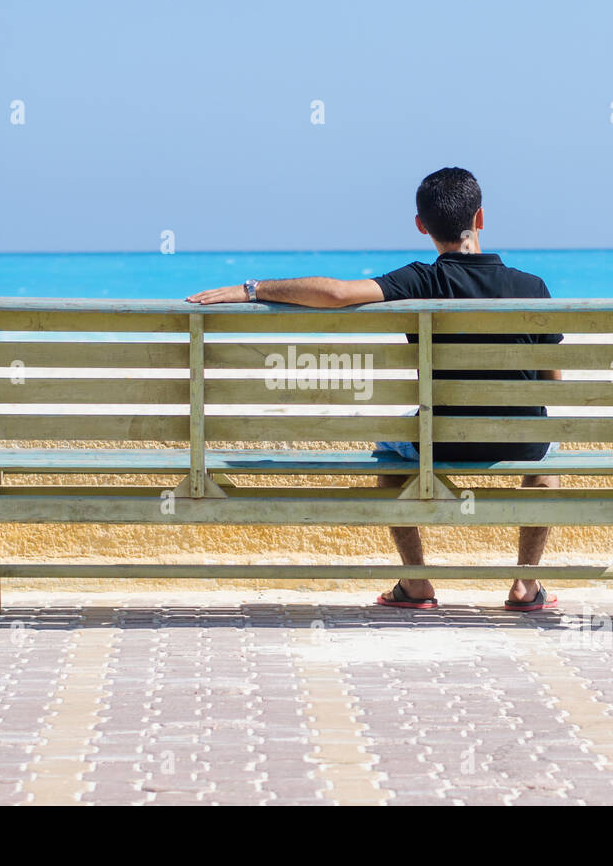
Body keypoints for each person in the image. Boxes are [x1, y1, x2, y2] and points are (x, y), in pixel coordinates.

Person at [188, 167, 561, 612]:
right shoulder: (532, 288)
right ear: (480, 219)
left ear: (422, 225)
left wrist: (253, 289)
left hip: (436, 439)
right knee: (546, 451)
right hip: (521, 443)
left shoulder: (421, 281)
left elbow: (337, 293)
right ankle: (525, 583)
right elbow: (551, 387)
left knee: (390, 453)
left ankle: (417, 581)